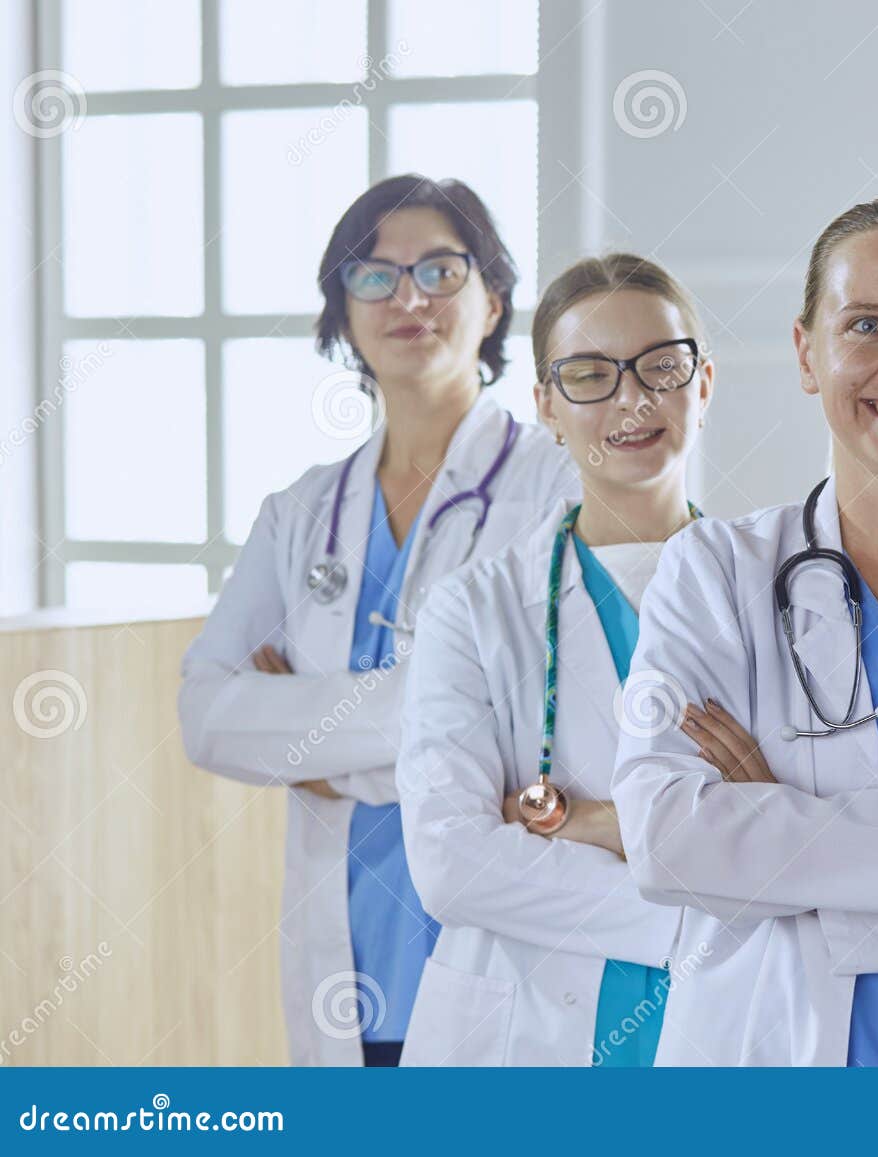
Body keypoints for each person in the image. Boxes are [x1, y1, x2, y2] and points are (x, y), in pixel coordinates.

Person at [613, 194, 878, 1066]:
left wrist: (786, 830)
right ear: (808, 352)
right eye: (868, 324)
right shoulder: (714, 572)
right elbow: (673, 844)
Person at [178, 175, 577, 1066]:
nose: (408, 298)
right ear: (342, 310)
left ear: (494, 298)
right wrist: (439, 734)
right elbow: (206, 716)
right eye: (374, 275)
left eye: (440, 269)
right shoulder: (300, 513)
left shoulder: (557, 484)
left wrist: (314, 752)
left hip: (499, 953)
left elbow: (540, 717)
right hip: (347, 961)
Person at [395, 254, 714, 1066]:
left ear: (702, 382)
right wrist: (697, 910)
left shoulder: (782, 597)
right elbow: (451, 861)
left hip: (722, 1022)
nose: (632, 400)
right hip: (521, 1034)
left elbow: (805, 832)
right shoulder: (471, 610)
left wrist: (590, 826)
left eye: (661, 367)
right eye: (589, 375)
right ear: (545, 405)